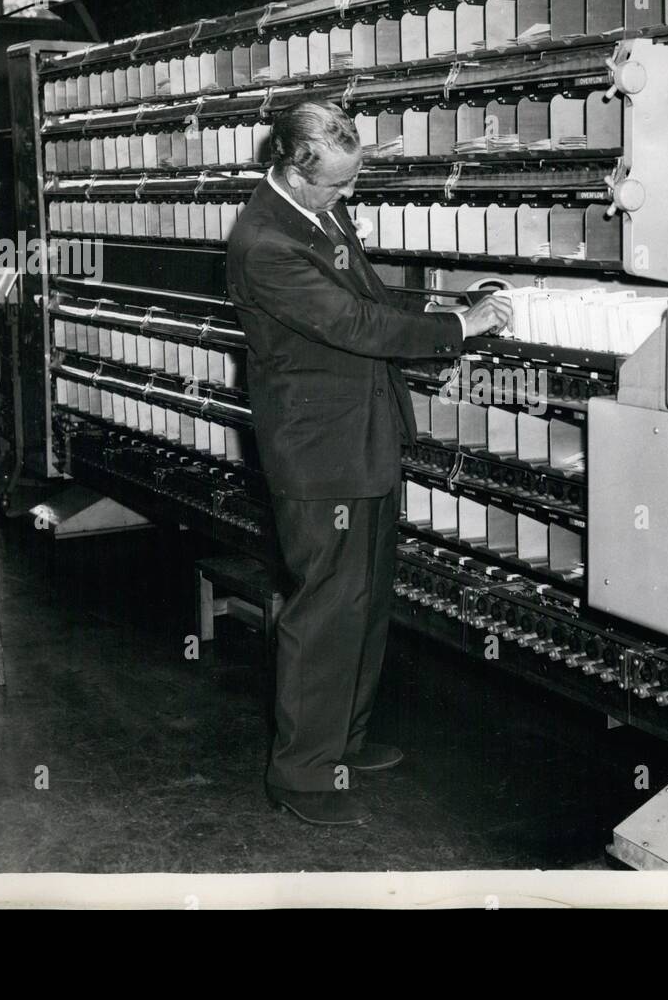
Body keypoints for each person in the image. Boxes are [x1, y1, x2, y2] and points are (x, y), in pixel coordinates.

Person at [226, 101, 512, 825]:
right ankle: (302, 771)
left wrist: (448, 303)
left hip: (364, 435)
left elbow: (371, 297)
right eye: (338, 186)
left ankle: (343, 745)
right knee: (326, 608)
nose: (348, 197)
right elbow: (351, 324)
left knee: (366, 597)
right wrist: (456, 328)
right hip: (320, 454)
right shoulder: (266, 241)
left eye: (353, 184)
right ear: (294, 168)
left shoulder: (316, 211)